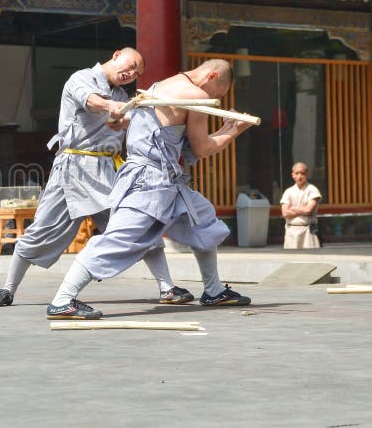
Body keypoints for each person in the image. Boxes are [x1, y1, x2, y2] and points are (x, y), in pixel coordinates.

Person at [47, 59, 254, 319]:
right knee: (118, 239)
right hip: (149, 181)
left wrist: (226, 128)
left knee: (202, 219)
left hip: (164, 179)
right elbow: (201, 148)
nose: (215, 99)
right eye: (218, 94)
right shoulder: (196, 95)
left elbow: (142, 127)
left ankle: (213, 290)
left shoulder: (160, 86)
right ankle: (62, 300)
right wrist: (234, 132)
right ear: (211, 76)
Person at [0, 47, 183, 308]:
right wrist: (109, 106)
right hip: (74, 167)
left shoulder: (122, 95)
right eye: (131, 65)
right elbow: (91, 100)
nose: (131, 73)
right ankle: (7, 289)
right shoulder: (82, 78)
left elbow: (128, 121)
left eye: (136, 72)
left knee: (141, 223)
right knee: (41, 230)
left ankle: (167, 287)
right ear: (116, 55)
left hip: (110, 171)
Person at [280, 162, 322, 249]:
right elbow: (285, 213)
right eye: (297, 173)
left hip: (308, 231)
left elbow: (308, 210)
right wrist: (302, 211)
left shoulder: (312, 190)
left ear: (307, 174)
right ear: (292, 175)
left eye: (302, 173)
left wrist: (293, 208)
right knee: (291, 260)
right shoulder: (288, 191)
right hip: (291, 231)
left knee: (310, 260)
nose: (299, 176)